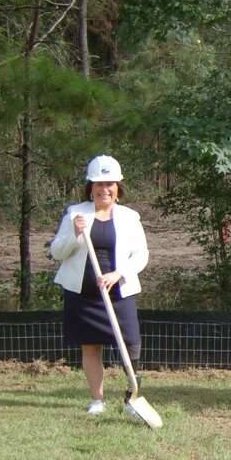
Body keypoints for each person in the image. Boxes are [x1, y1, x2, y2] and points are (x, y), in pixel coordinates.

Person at [49, 155, 149, 417]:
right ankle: (98, 400)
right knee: (91, 346)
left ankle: (132, 397)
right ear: (90, 187)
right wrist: (74, 234)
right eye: (99, 183)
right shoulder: (75, 214)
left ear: (118, 187)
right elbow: (57, 252)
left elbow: (141, 256)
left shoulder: (130, 217)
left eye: (110, 184)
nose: (105, 189)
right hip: (83, 293)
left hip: (118, 290)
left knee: (130, 344)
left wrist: (117, 274)